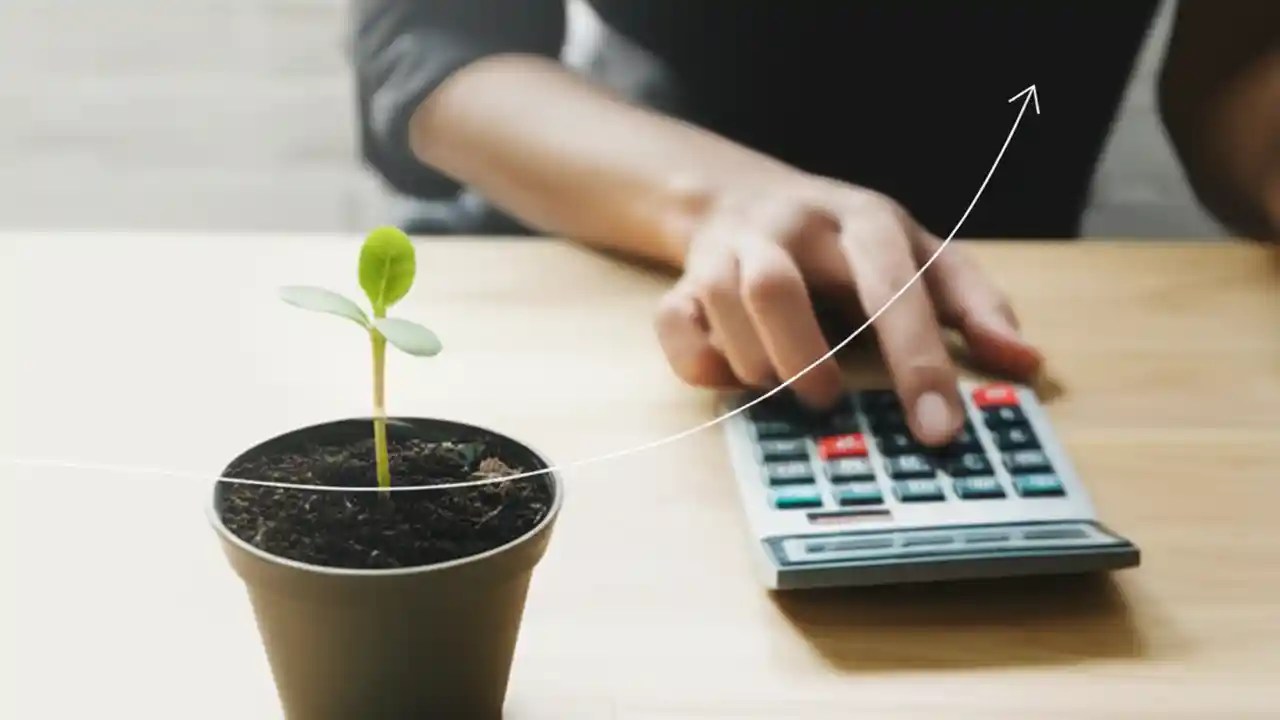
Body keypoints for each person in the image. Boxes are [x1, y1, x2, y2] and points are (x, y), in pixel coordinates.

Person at [349, 1, 1279, 446]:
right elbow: (429, 50)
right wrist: (719, 202)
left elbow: (1231, 74)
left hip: (1001, 328)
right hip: (604, 258)